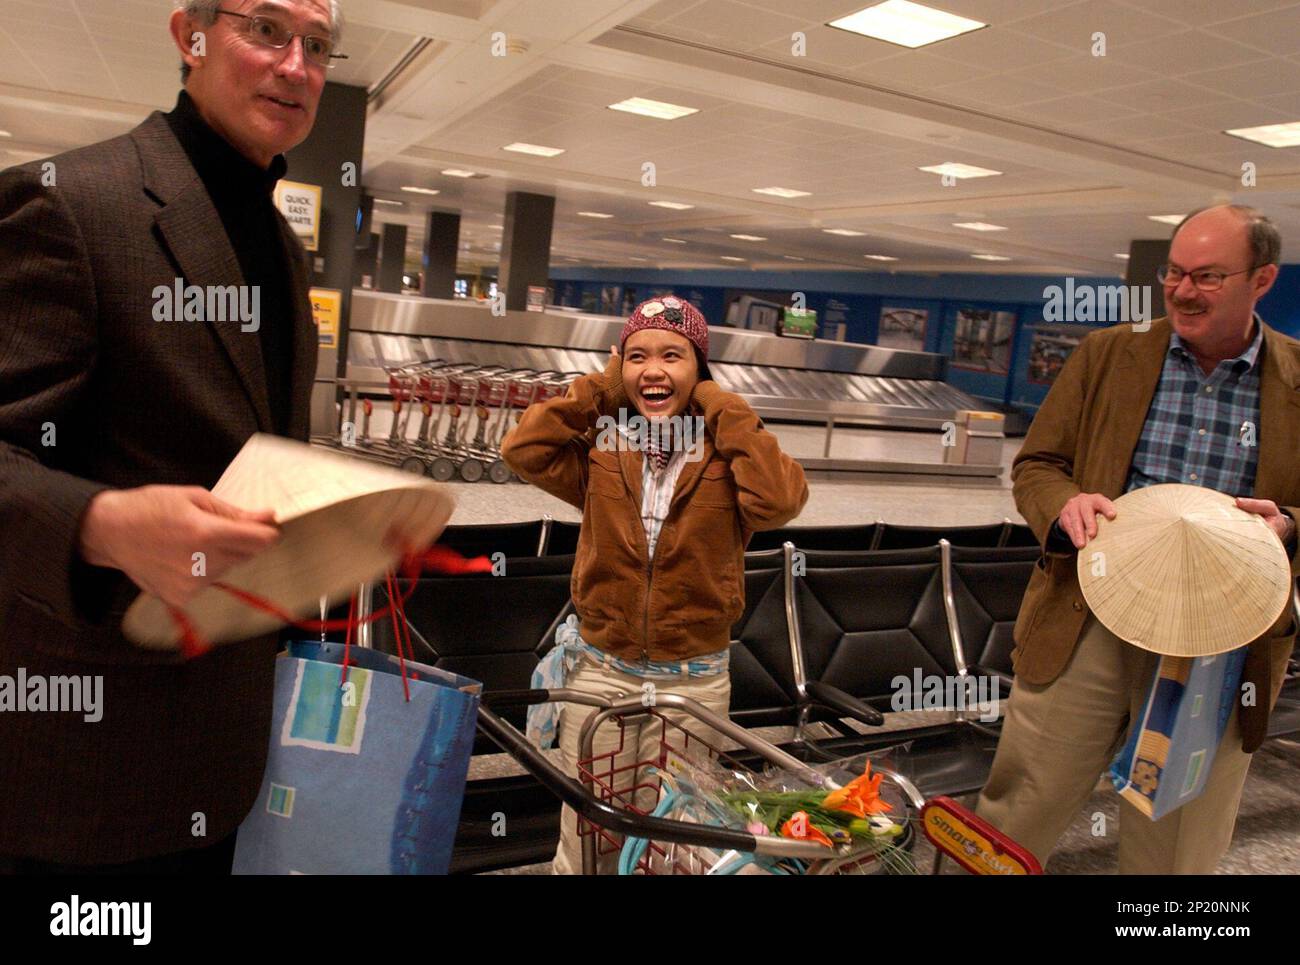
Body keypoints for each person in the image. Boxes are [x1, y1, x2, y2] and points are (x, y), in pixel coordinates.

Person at [0, 0, 341, 872]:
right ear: (189, 35)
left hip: (219, 750)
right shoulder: (72, 204)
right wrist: (104, 524)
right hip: (85, 763)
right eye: (264, 28)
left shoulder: (281, 245)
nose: (296, 65)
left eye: (317, 44)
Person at [976, 204, 1300, 874]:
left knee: (1178, 841)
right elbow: (1038, 465)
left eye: (1208, 276)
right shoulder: (1108, 355)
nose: (1182, 291)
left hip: (1221, 638)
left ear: (1262, 279)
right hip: (1089, 615)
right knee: (1019, 809)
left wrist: (1290, 525)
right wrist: (1066, 505)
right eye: (1174, 272)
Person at [501, 295, 809, 874]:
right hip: (601, 670)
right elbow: (523, 449)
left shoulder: (730, 453)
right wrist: (602, 388)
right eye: (637, 356)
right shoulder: (604, 450)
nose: (655, 370)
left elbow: (779, 497)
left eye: (675, 355)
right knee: (590, 826)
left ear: (700, 367)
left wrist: (717, 402)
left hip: (692, 682)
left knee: (677, 830)